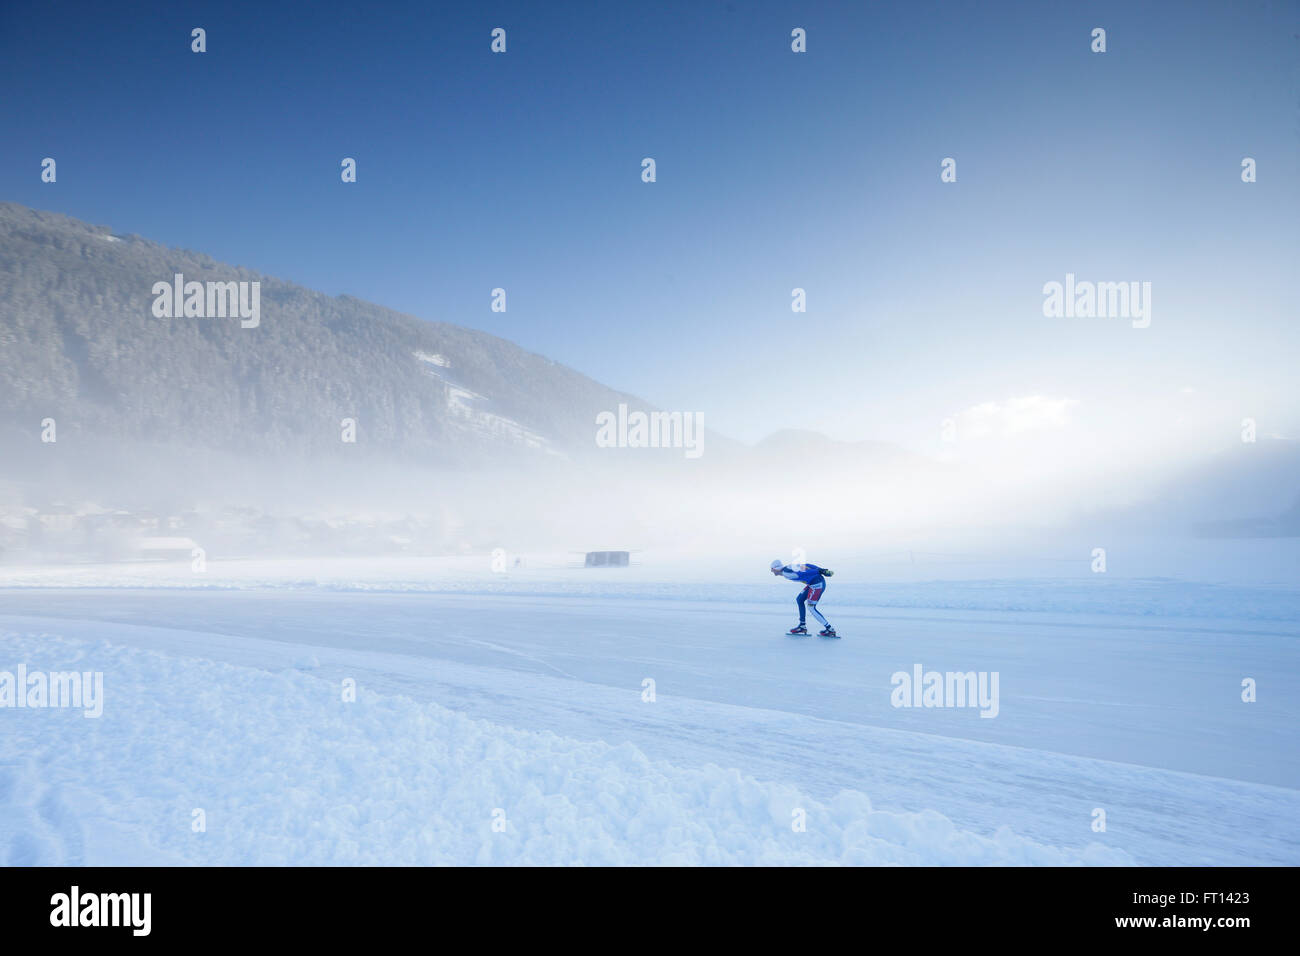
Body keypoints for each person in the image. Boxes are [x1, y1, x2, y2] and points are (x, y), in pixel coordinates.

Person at [770, 558, 837, 637]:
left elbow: (803, 572)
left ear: (776, 569)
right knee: (800, 599)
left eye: (772, 569)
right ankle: (802, 626)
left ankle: (829, 629)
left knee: (811, 608)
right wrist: (820, 570)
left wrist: (819, 571)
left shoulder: (787, 574)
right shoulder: (789, 566)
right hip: (813, 583)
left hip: (817, 585)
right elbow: (807, 565)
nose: (772, 571)